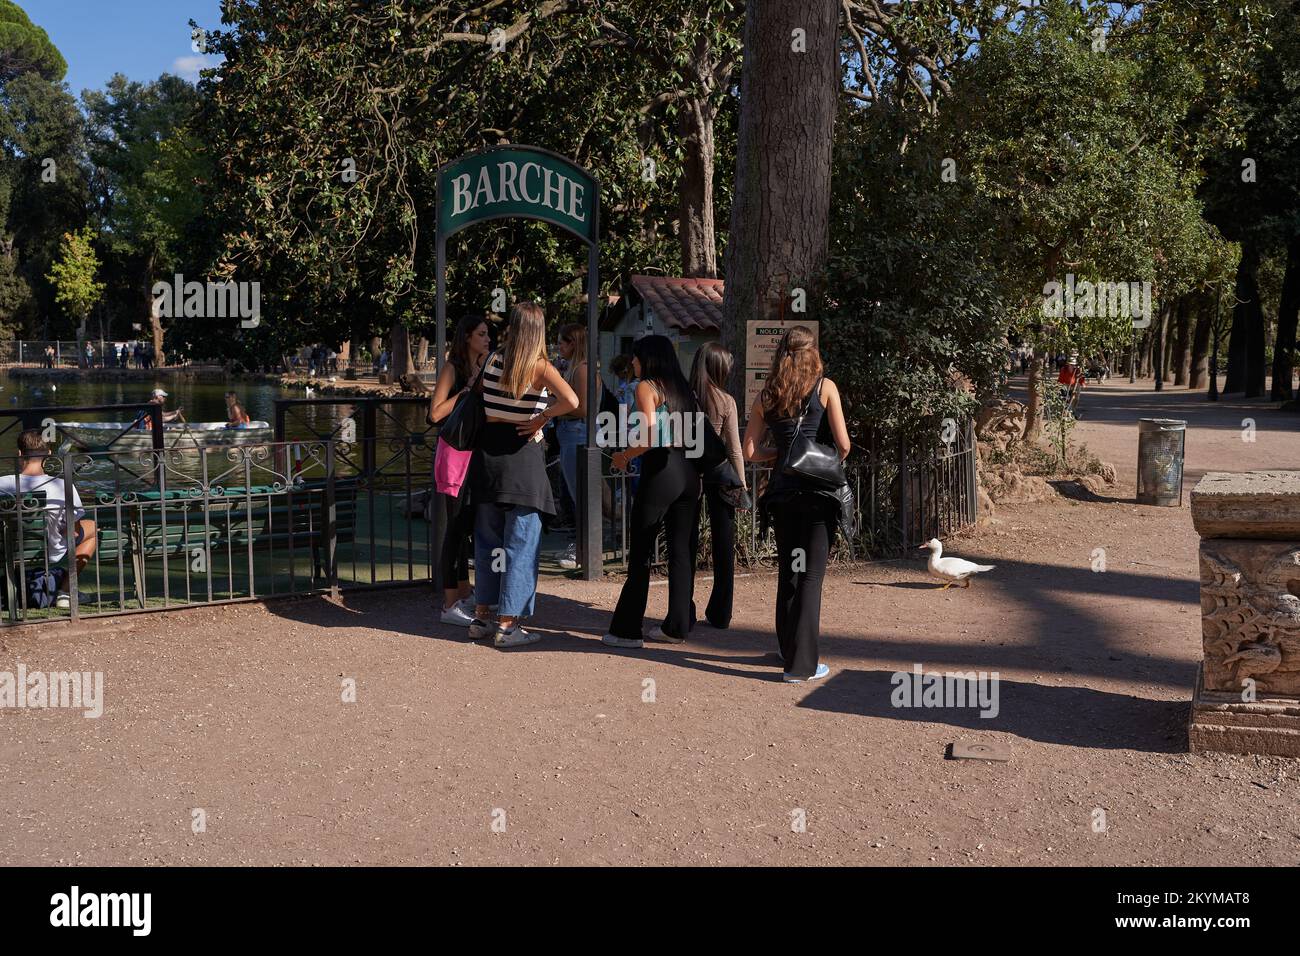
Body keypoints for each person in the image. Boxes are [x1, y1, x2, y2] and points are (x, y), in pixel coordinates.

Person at [742, 325, 851, 683]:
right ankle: (801, 665)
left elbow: (750, 451)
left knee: (789, 571)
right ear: (812, 353)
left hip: (783, 494)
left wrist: (782, 454)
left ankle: (787, 648)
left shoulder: (766, 394)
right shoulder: (825, 387)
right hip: (818, 495)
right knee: (812, 578)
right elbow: (844, 445)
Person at [468, 302, 577, 647]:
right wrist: (542, 417)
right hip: (522, 460)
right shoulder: (540, 366)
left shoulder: (492, 359)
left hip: (488, 459)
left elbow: (482, 397)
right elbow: (572, 400)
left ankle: (482, 616)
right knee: (521, 543)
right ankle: (508, 625)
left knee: (487, 543)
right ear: (539, 330)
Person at [602, 335, 703, 648]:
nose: (632, 362)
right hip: (689, 472)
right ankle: (677, 626)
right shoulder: (683, 387)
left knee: (641, 553)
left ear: (648, 358)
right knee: (681, 552)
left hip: (661, 470)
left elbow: (647, 436)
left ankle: (627, 631)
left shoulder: (647, 387)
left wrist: (624, 457)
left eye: (635, 356)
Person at [429, 314, 490, 625]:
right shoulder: (453, 368)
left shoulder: (484, 368)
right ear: (467, 337)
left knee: (466, 525)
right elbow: (435, 413)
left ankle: (464, 593)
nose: (488, 339)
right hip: (454, 454)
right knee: (454, 529)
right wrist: (465, 391)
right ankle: (449, 603)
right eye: (482, 334)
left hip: (474, 454)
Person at [0, 430, 98, 610]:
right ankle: (65, 592)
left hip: (7, 551)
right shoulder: (61, 485)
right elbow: (74, 532)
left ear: (20, 454)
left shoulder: (1, 484)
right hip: (47, 552)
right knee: (91, 528)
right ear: (49, 454)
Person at [689, 342, 747, 629]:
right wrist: (743, 486)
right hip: (719, 475)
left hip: (687, 475)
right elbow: (734, 449)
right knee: (724, 545)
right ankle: (721, 611)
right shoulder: (725, 401)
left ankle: (682, 608)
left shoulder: (683, 398)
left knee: (685, 543)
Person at [554, 323, 588, 570]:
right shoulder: (571, 369)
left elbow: (585, 408)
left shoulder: (582, 370)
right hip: (568, 433)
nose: (558, 347)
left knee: (578, 493)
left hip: (576, 432)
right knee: (571, 491)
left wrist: (554, 410)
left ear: (573, 343)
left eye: (562, 343)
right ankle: (578, 543)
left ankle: (582, 547)